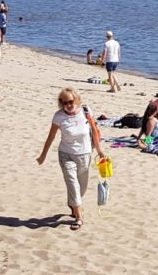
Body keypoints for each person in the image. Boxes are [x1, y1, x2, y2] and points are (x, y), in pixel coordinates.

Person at [37, 88, 107, 230]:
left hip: (85, 154)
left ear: (76, 100)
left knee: (82, 188)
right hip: (66, 154)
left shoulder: (86, 111)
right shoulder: (58, 116)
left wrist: (99, 150)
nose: (68, 105)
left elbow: (94, 130)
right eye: (64, 103)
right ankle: (79, 217)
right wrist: (43, 155)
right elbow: (51, 137)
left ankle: (72, 204)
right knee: (73, 184)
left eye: (70, 101)